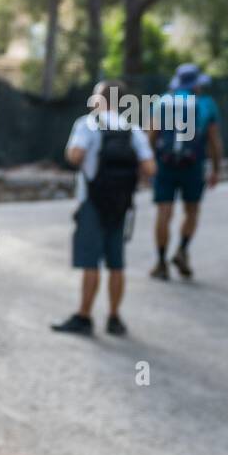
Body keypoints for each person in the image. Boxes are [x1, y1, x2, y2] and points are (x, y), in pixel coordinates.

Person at [52, 80, 156, 336]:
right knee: (116, 263)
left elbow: (75, 157)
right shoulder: (133, 130)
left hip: (92, 202)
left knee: (91, 262)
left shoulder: (87, 124)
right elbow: (150, 169)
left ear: (100, 99)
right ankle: (114, 317)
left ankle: (84, 316)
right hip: (121, 205)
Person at [148, 64, 223, 280]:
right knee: (192, 211)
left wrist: (148, 164)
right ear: (196, 85)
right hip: (193, 165)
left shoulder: (161, 101)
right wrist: (216, 169)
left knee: (164, 212)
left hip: (165, 163)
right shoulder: (206, 104)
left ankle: (161, 263)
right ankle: (182, 250)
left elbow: (152, 136)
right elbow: (214, 141)